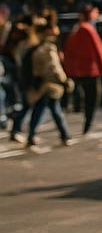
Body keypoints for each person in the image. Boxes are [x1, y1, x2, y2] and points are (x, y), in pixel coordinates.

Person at [61, 4, 102, 136]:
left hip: (79, 70)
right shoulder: (88, 29)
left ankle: (84, 117)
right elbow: (99, 50)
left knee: (86, 95)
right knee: (93, 97)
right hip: (90, 70)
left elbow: (68, 51)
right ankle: (88, 123)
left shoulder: (77, 29)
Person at [22, 19, 73, 150]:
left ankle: (63, 135)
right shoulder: (48, 47)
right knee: (49, 110)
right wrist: (64, 80)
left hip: (42, 84)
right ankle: (64, 135)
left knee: (48, 110)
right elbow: (53, 67)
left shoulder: (36, 45)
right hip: (48, 84)